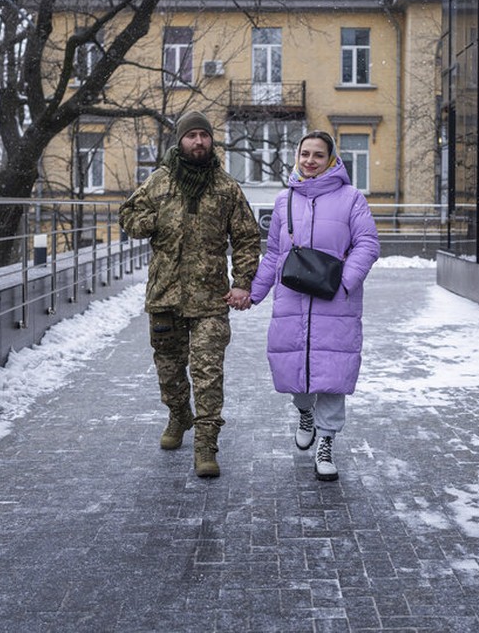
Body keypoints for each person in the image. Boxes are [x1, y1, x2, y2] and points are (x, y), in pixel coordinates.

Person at [118, 110, 260, 479]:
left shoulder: (226, 188)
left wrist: (243, 281)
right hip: (165, 295)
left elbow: (247, 238)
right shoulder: (158, 182)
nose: (199, 141)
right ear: (180, 141)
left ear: (212, 141)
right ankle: (179, 413)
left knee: (208, 372)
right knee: (169, 370)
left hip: (212, 299)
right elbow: (128, 216)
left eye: (204, 135)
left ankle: (206, 443)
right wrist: (152, 222)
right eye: (191, 135)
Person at [245, 130, 379, 481]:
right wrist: (254, 292)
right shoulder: (283, 200)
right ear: (297, 156)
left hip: (335, 301)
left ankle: (327, 442)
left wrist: (344, 282)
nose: (310, 161)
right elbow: (274, 253)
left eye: (318, 155)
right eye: (305, 153)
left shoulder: (352, 199)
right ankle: (305, 411)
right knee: (295, 372)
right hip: (292, 298)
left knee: (332, 375)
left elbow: (367, 244)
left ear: (332, 159)